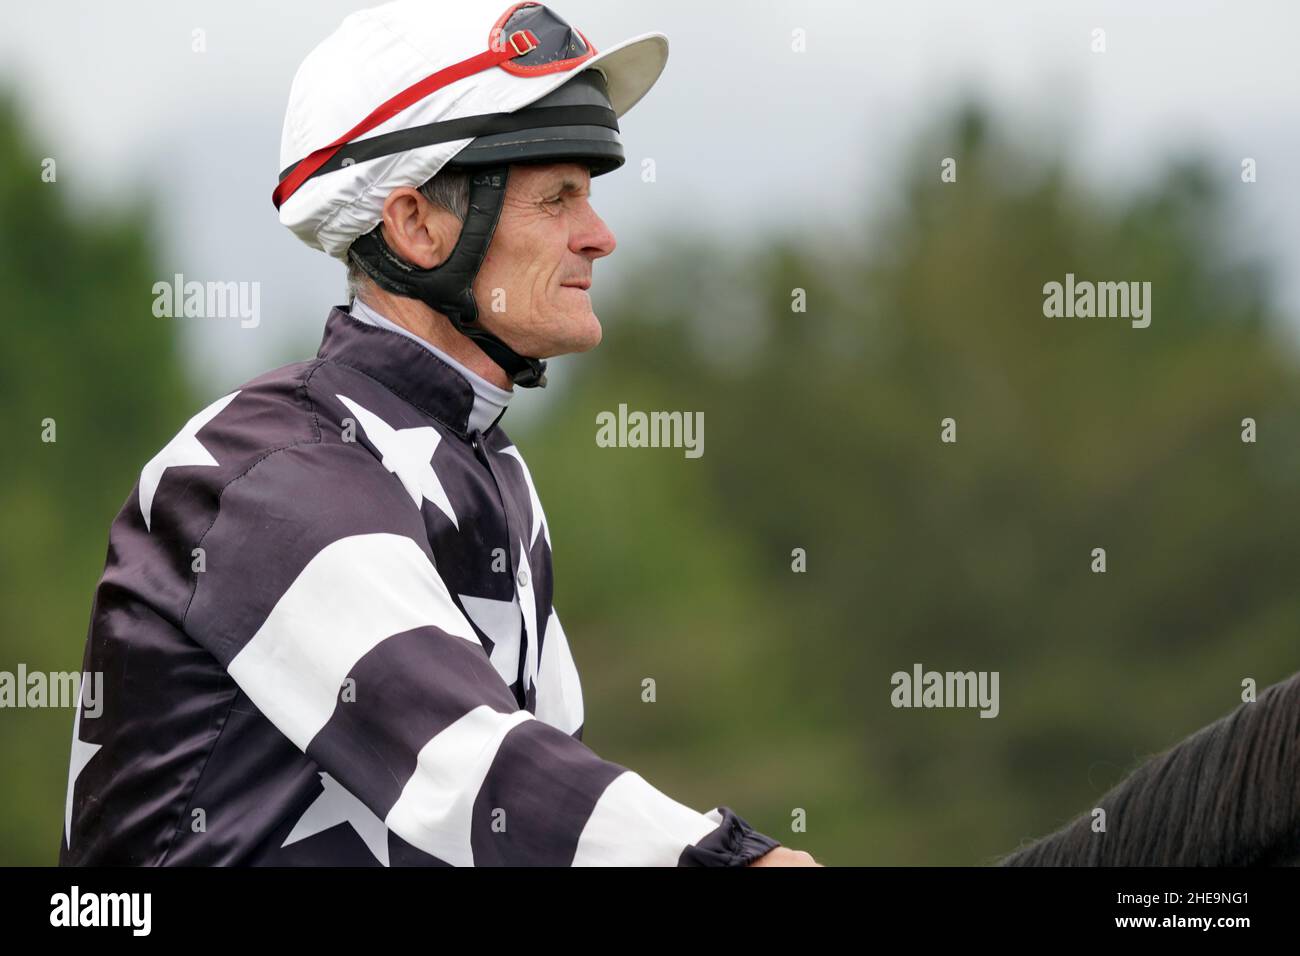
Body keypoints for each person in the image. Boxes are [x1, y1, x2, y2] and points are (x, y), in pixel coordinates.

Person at [60, 0, 818, 867]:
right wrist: (734, 858)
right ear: (417, 225)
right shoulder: (264, 474)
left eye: (591, 195)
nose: (599, 237)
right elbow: (472, 769)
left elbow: (550, 815)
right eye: (558, 198)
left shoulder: (497, 476)